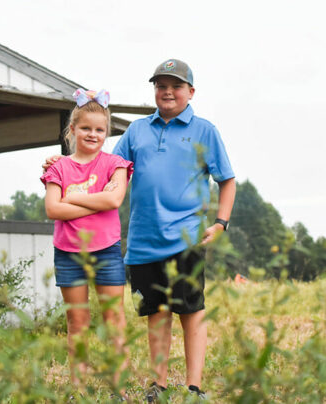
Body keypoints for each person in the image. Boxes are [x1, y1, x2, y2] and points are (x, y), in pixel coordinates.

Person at [115, 59, 235, 401]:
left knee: (190, 311)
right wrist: (62, 164)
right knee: (156, 313)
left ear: (191, 92)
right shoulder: (136, 131)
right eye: (161, 86)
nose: (167, 92)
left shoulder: (205, 131)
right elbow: (110, 169)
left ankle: (194, 387)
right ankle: (158, 384)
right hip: (141, 241)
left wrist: (221, 223)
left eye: (176, 86)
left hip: (186, 239)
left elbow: (227, 181)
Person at [41, 89, 132, 390]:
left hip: (106, 251)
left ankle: (117, 386)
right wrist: (97, 197)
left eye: (99, 129)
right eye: (86, 128)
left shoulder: (115, 163)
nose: (93, 134)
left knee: (113, 320)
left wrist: (73, 197)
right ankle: (77, 388)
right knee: (76, 324)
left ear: (107, 132)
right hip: (69, 253)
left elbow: (114, 200)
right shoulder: (59, 167)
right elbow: (53, 208)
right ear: (72, 130)